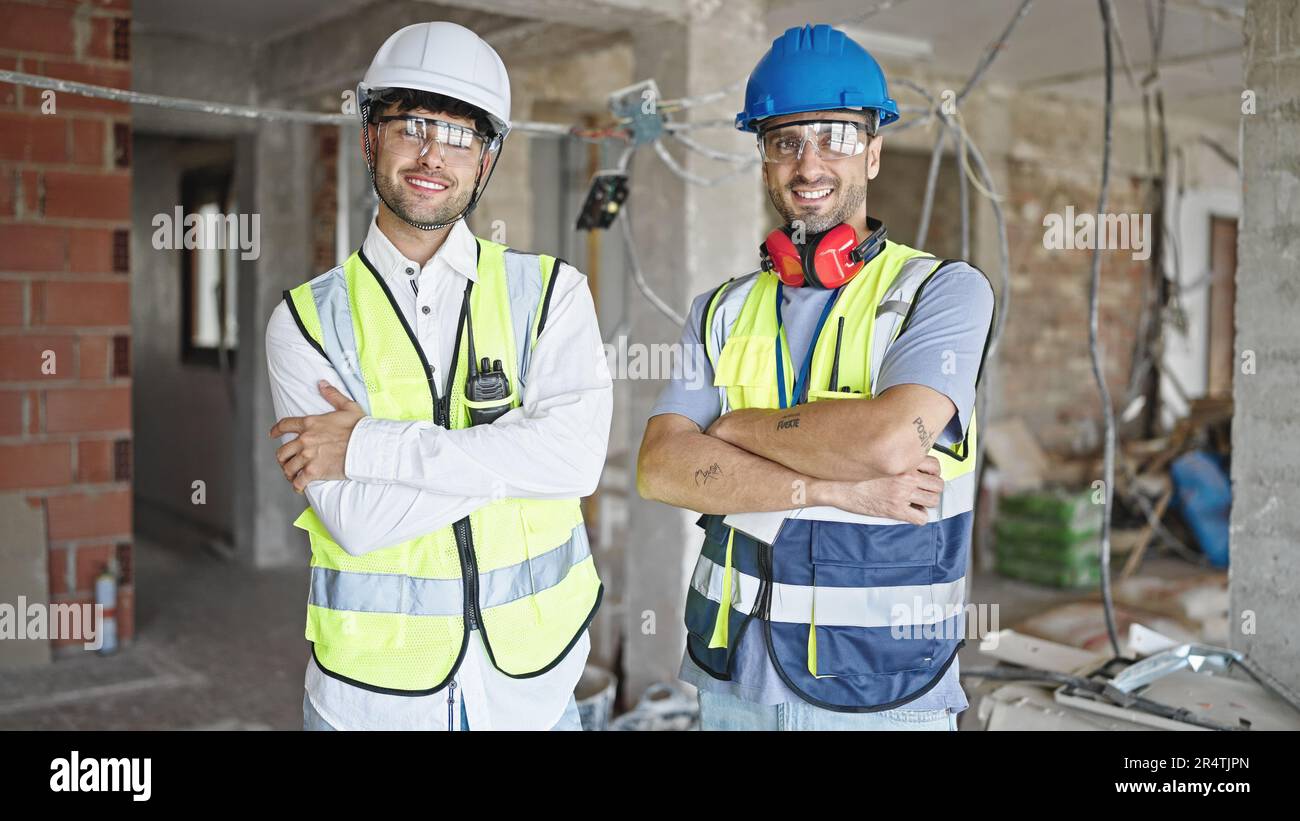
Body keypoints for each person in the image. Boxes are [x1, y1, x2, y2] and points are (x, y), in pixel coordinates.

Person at [637, 23, 995, 731]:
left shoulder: (944, 292)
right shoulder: (721, 309)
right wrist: (838, 488)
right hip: (732, 671)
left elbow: (890, 443)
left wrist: (731, 429)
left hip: (884, 681)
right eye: (785, 141)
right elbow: (659, 469)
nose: (809, 164)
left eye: (834, 136)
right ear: (765, 159)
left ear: (874, 150)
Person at [265, 21, 611, 731]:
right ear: (370, 137)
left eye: (459, 135)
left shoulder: (551, 294)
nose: (432, 154)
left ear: (485, 160)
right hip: (369, 703)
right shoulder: (305, 323)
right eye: (411, 125)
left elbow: (576, 462)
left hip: (534, 700)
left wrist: (367, 446)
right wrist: (519, 455)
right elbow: (356, 522)